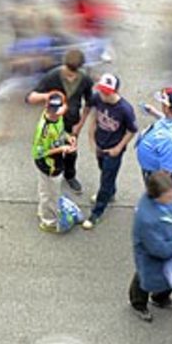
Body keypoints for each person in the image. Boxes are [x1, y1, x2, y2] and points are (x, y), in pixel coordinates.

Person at [26, 48, 94, 195]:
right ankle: (53, 176)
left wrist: (80, 125)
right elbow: (30, 97)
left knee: (71, 153)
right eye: (68, 73)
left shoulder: (85, 80)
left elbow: (89, 103)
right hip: (54, 123)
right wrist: (47, 96)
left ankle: (70, 176)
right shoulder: (53, 76)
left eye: (73, 74)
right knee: (53, 152)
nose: (70, 77)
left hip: (72, 122)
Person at [129, 170, 172, 322]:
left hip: (171, 249)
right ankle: (138, 304)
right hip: (152, 257)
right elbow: (157, 249)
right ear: (157, 194)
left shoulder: (166, 201)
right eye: (169, 195)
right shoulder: (147, 218)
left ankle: (160, 298)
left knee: (168, 278)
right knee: (144, 279)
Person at [81, 73, 137, 229]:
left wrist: (118, 148)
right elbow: (92, 114)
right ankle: (110, 193)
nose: (103, 94)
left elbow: (132, 131)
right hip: (100, 144)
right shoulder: (97, 98)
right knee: (104, 171)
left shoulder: (125, 109)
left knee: (106, 179)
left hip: (113, 150)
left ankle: (97, 212)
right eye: (101, 90)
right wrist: (91, 138)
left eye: (107, 92)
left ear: (115, 91)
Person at [136, 87, 172, 188]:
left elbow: (166, 172)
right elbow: (170, 118)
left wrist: (156, 189)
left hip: (158, 175)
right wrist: (154, 113)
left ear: (167, 109)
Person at [32, 91, 74, 233]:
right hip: (48, 165)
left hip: (56, 161)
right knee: (51, 193)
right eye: (53, 111)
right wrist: (61, 148)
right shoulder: (44, 129)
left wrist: (68, 137)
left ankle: (43, 211)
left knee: (46, 190)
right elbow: (39, 152)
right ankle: (48, 221)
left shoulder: (58, 118)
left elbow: (60, 131)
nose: (55, 114)